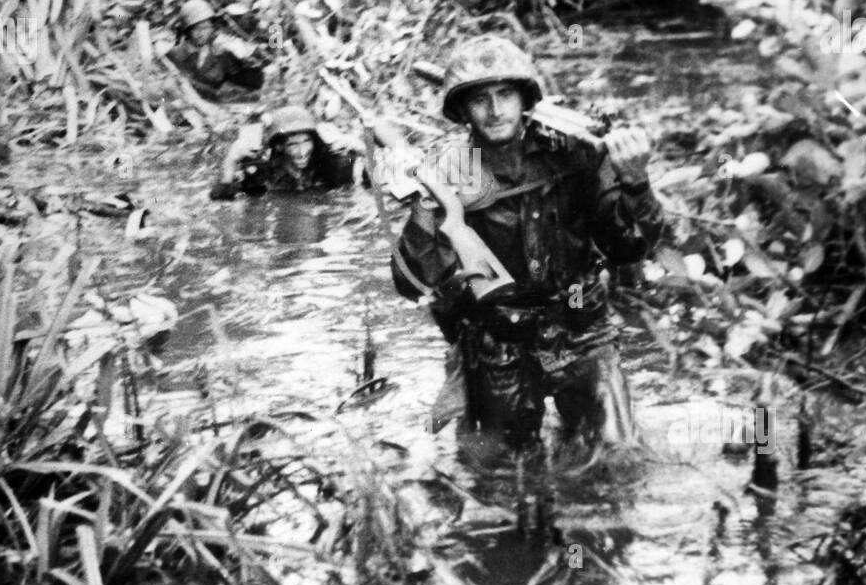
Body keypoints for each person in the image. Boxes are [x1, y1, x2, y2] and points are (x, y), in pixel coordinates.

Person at [391, 35, 668, 454]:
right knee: (494, 477)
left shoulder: (576, 154)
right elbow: (414, 284)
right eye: (480, 99)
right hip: (498, 339)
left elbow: (627, 249)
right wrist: (424, 205)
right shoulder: (448, 170)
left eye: (505, 94)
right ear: (462, 110)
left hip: (580, 324)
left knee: (618, 454)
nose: (495, 109)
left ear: (525, 99)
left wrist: (636, 183)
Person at [210, 104, 358, 198]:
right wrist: (230, 161)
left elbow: (371, 182)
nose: (302, 152)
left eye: (306, 141)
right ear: (279, 147)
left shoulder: (328, 164)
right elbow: (220, 199)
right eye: (293, 144)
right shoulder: (263, 171)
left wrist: (361, 149)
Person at [166, 0, 264, 100]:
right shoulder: (176, 54)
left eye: (205, 27)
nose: (201, 33)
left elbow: (237, 77)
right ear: (187, 30)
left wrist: (245, 59)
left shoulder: (220, 50)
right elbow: (185, 85)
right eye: (196, 29)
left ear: (212, 28)